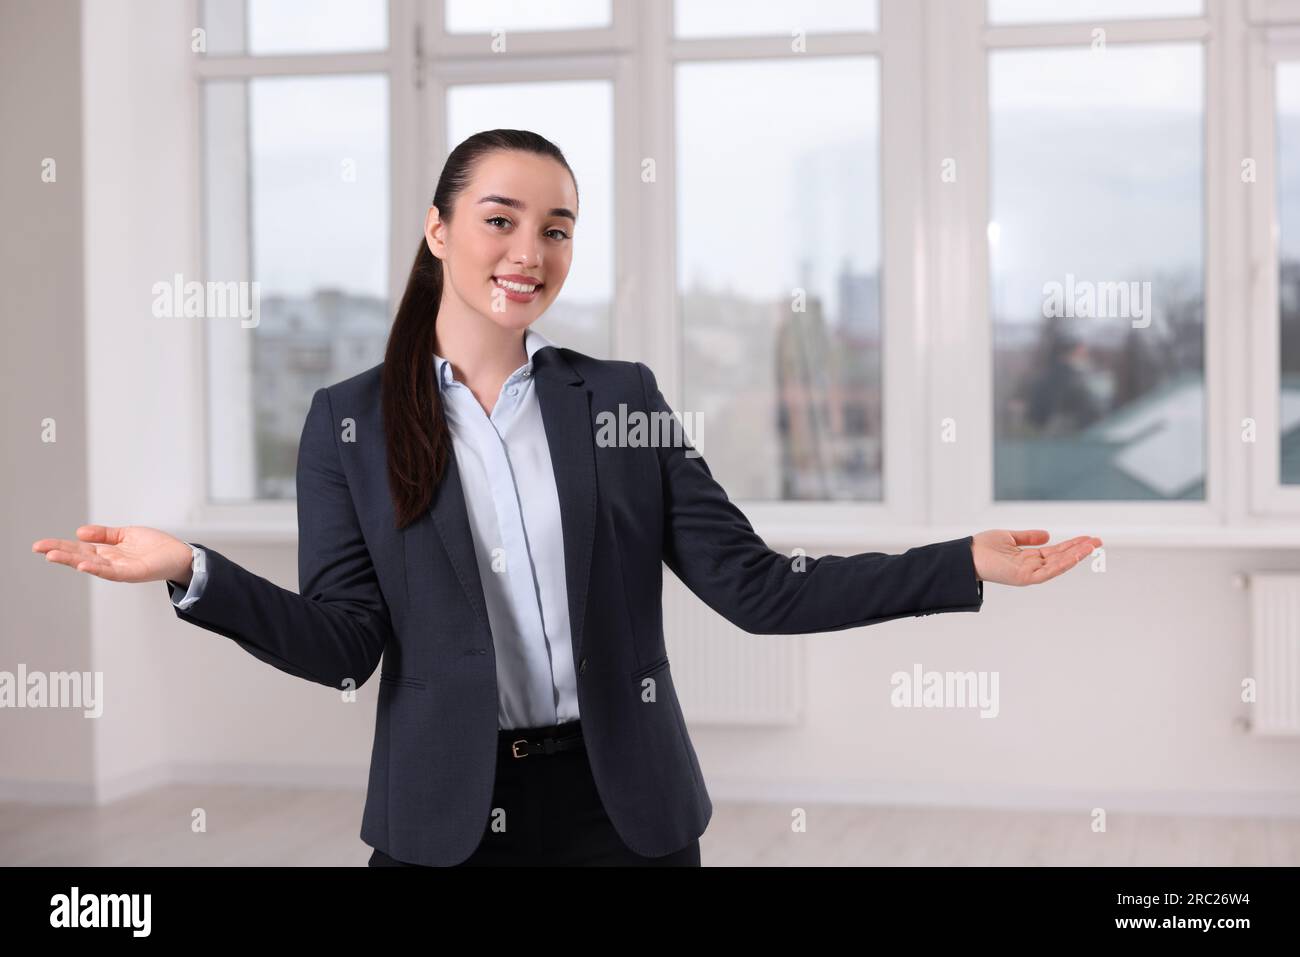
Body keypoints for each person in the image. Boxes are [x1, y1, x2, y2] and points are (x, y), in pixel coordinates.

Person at [32, 129, 1102, 867]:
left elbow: (758, 589)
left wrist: (962, 562)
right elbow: (342, 643)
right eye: (501, 219)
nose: (529, 251)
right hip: (442, 816)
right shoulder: (348, 421)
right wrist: (190, 572)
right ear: (439, 230)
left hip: (621, 808)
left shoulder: (618, 403)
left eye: (557, 227)